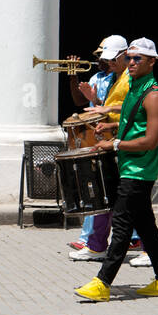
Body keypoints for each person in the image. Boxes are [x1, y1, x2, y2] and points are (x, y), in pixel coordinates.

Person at [75, 38, 158, 301]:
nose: (131, 63)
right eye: (129, 58)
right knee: (146, 227)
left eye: (138, 59)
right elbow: (132, 118)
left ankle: (102, 283)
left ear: (152, 61)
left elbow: (151, 140)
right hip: (128, 166)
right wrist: (111, 127)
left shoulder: (155, 95)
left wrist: (116, 144)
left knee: (121, 227)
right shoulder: (135, 88)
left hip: (139, 170)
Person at [70, 35, 144, 263]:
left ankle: (146, 247)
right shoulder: (113, 78)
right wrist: (100, 109)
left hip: (127, 144)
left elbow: (138, 108)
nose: (109, 63)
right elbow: (116, 113)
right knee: (104, 193)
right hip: (111, 142)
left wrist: (107, 113)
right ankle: (96, 245)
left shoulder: (132, 79)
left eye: (113, 59)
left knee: (131, 199)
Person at [67, 38, 117, 252]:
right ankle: (89, 237)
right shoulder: (97, 76)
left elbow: (110, 108)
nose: (98, 60)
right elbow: (79, 101)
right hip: (93, 135)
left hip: (109, 135)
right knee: (93, 186)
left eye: (102, 57)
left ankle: (95, 240)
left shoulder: (118, 79)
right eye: (97, 57)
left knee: (101, 189)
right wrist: (73, 75)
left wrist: (96, 101)